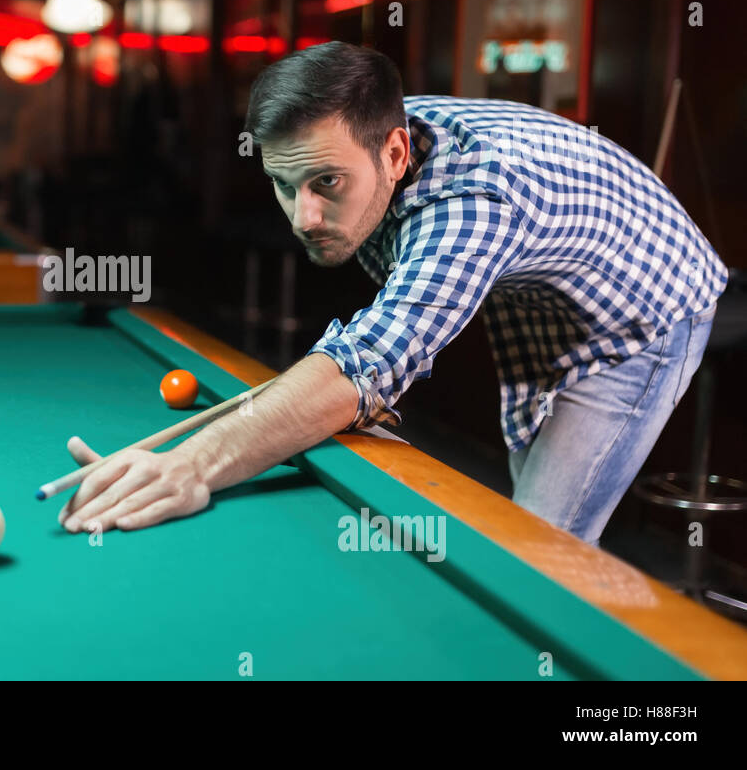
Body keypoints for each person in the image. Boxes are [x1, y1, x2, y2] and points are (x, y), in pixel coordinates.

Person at [58, 41, 726, 547]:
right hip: (541, 299)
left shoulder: (473, 201)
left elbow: (366, 360)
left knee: (542, 547)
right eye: (284, 185)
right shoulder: (369, 143)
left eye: (324, 183)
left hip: (641, 314)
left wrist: (193, 464)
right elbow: (378, 344)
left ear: (397, 155)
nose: (302, 217)